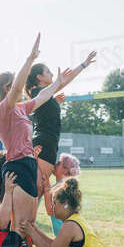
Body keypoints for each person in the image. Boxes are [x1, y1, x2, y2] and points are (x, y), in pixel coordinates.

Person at [0, 33, 72, 247]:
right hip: (18, 167)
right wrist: (31, 58)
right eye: (16, 85)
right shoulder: (5, 108)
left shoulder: (22, 108)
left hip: (28, 165)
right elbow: (18, 87)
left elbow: (44, 96)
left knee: (24, 228)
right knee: (21, 228)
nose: (21, 89)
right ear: (11, 87)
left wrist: (57, 83)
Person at [25, 51, 96, 203]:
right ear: (39, 77)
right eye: (48, 72)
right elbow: (63, 82)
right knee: (34, 194)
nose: (51, 74)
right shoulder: (38, 92)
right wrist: (83, 65)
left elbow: (63, 83)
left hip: (48, 143)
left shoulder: (46, 95)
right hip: (43, 143)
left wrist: (54, 103)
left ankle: (25, 223)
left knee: (37, 193)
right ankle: (20, 224)